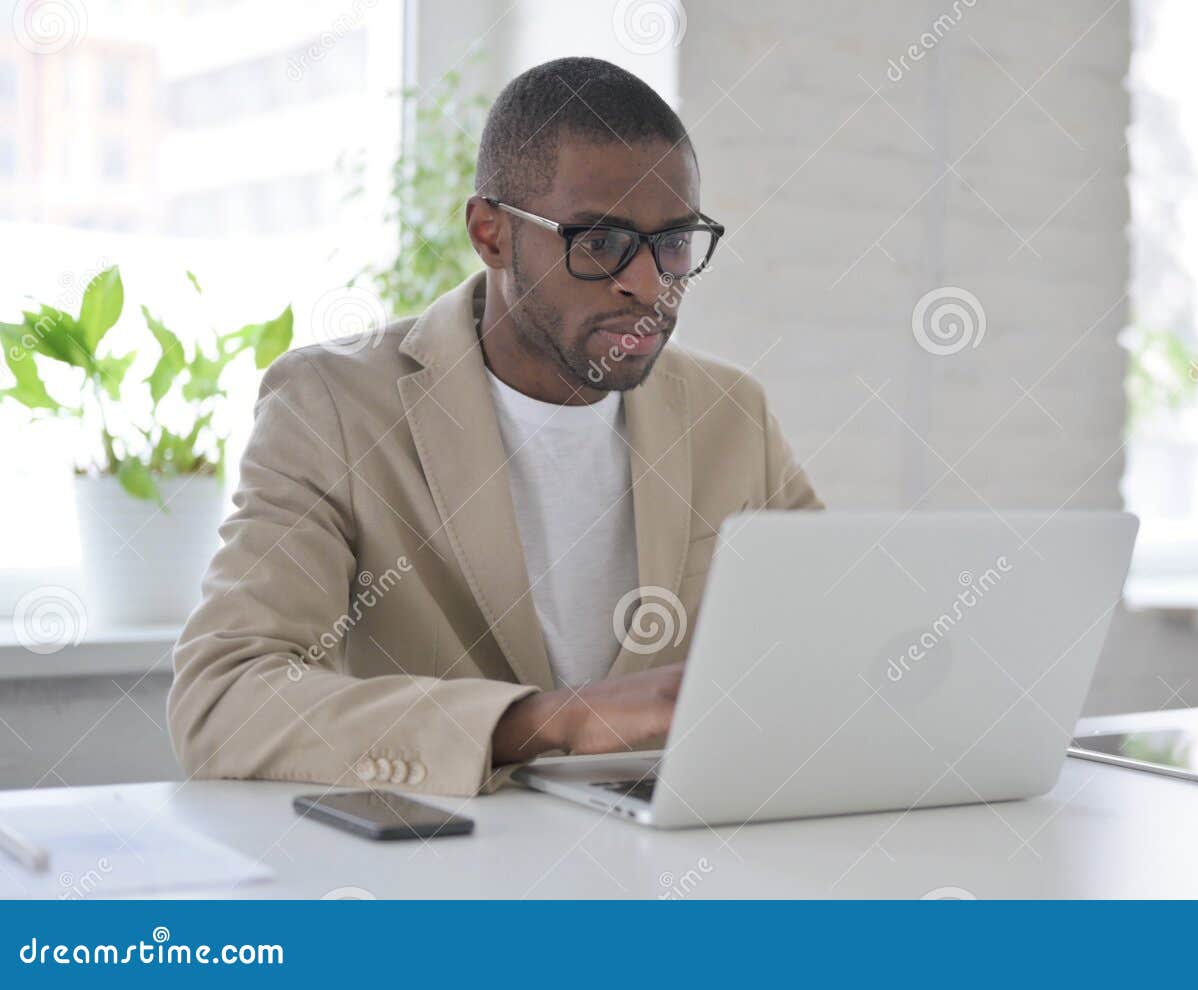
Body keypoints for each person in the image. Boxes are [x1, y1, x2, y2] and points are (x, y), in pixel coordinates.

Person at [167, 57, 821, 797]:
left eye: (674, 242)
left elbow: (840, 645)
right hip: (438, 879)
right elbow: (223, 701)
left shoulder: (730, 414)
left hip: (667, 867)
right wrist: (543, 722)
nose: (649, 283)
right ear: (492, 234)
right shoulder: (334, 404)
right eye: (599, 242)